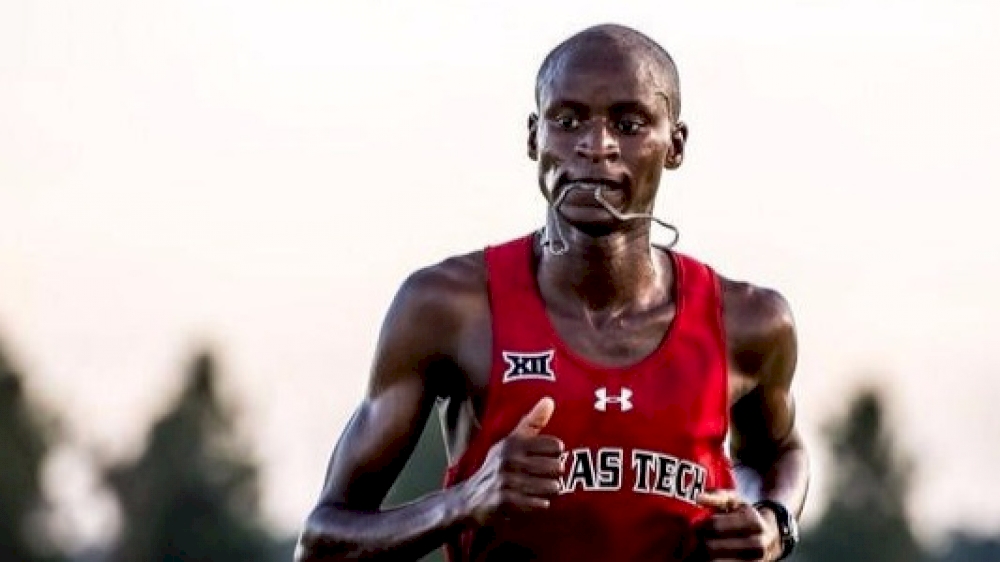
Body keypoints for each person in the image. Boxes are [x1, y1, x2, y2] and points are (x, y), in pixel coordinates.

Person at [295, 23, 809, 562]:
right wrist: (464, 502)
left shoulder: (751, 321)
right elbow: (320, 543)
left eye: (629, 124)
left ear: (675, 145)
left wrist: (774, 522)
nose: (596, 146)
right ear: (533, 137)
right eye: (567, 121)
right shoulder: (448, 308)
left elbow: (779, 452)